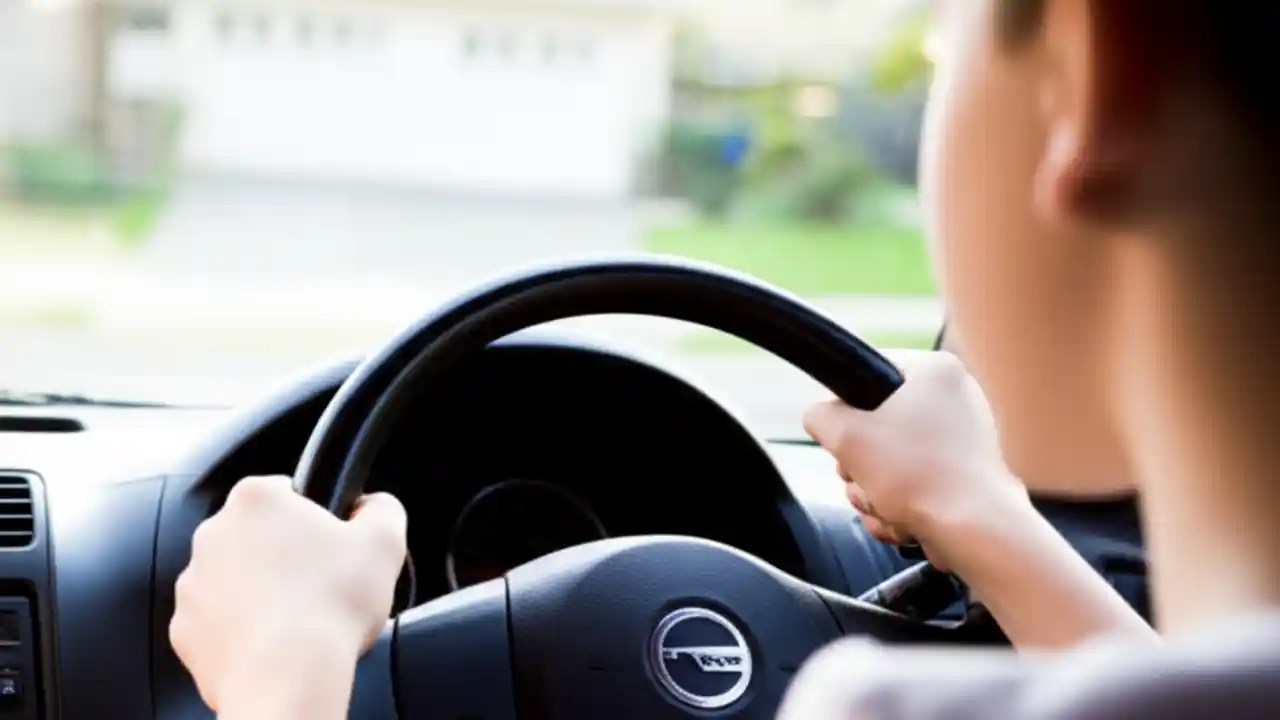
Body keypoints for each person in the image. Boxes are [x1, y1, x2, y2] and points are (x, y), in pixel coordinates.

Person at [168, 0, 1280, 717]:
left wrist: (282, 671)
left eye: (951, 43)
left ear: (1096, 62)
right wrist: (985, 518)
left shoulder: (878, 706)